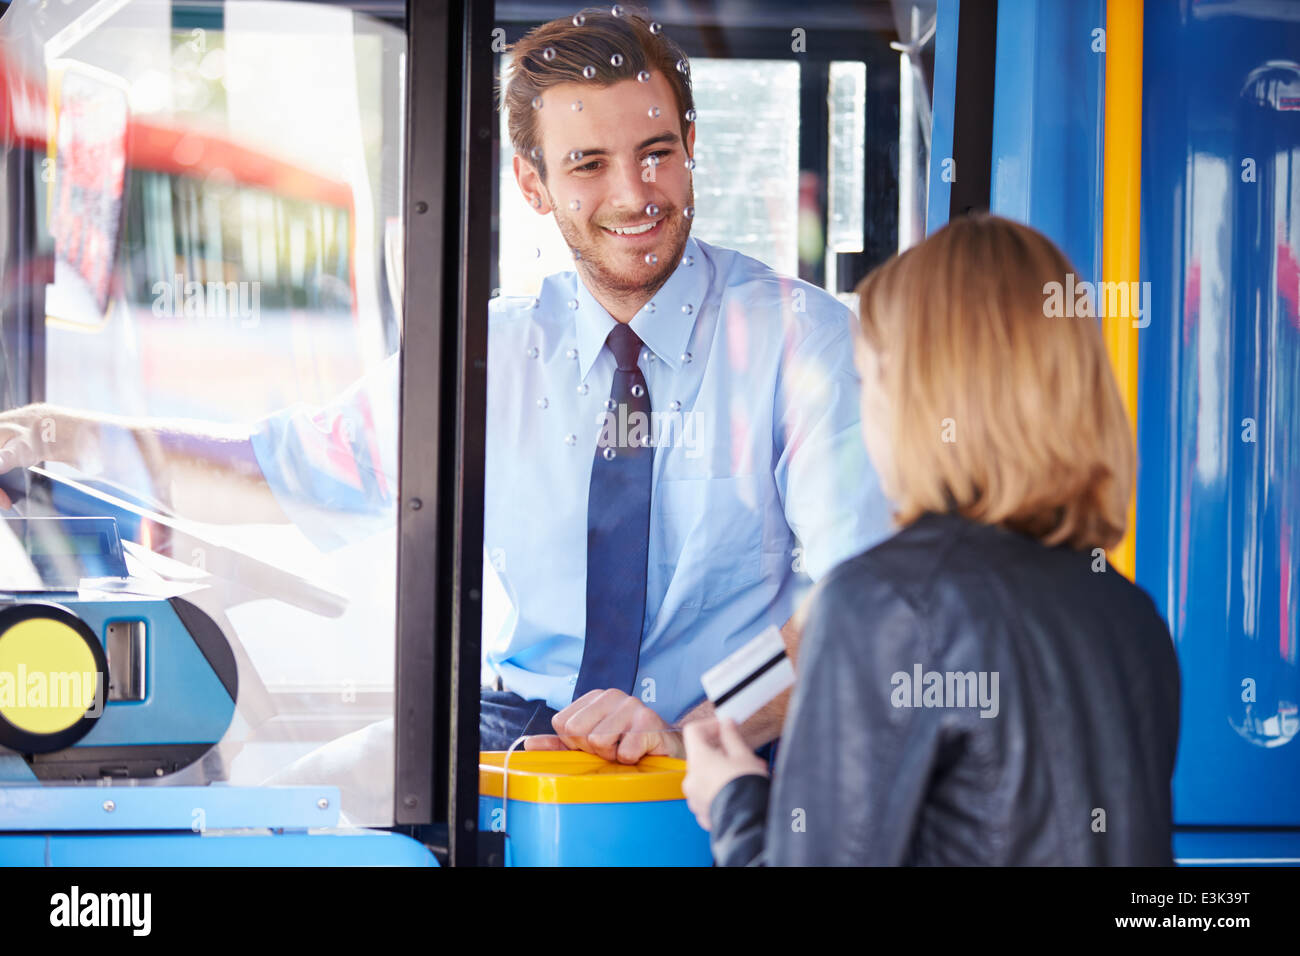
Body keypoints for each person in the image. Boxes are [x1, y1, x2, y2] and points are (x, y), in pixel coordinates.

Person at [0, 8, 893, 760]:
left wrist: (694, 727)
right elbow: (273, 469)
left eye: (657, 151)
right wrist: (57, 438)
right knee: (290, 816)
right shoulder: (488, 355)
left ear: (692, 145)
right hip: (514, 725)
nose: (636, 192)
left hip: (730, 739)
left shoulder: (800, 342)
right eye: (588, 164)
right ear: (533, 185)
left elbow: (859, 597)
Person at [681, 214, 1182, 865]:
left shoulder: (889, 599)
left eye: (873, 378)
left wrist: (735, 800)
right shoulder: (1128, 615)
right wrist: (687, 721)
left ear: (924, 396)